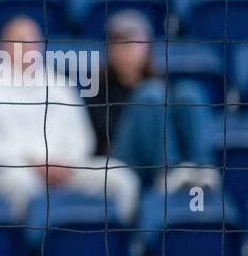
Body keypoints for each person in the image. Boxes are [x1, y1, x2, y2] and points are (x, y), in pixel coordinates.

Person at [0, 15, 140, 221]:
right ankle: (33, 247)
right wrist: (34, 163)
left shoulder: (60, 85)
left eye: (32, 42)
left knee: (122, 178)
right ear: (2, 48)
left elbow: (83, 138)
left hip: (67, 169)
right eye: (19, 41)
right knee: (23, 186)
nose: (27, 48)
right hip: (15, 171)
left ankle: (123, 242)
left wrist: (64, 164)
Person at [91, 11, 216, 191]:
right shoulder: (98, 88)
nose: (125, 50)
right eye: (118, 43)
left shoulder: (161, 82)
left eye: (133, 43)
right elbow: (101, 137)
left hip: (164, 154)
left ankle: (203, 169)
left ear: (146, 47)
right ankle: (168, 171)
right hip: (122, 160)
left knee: (189, 91)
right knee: (151, 95)